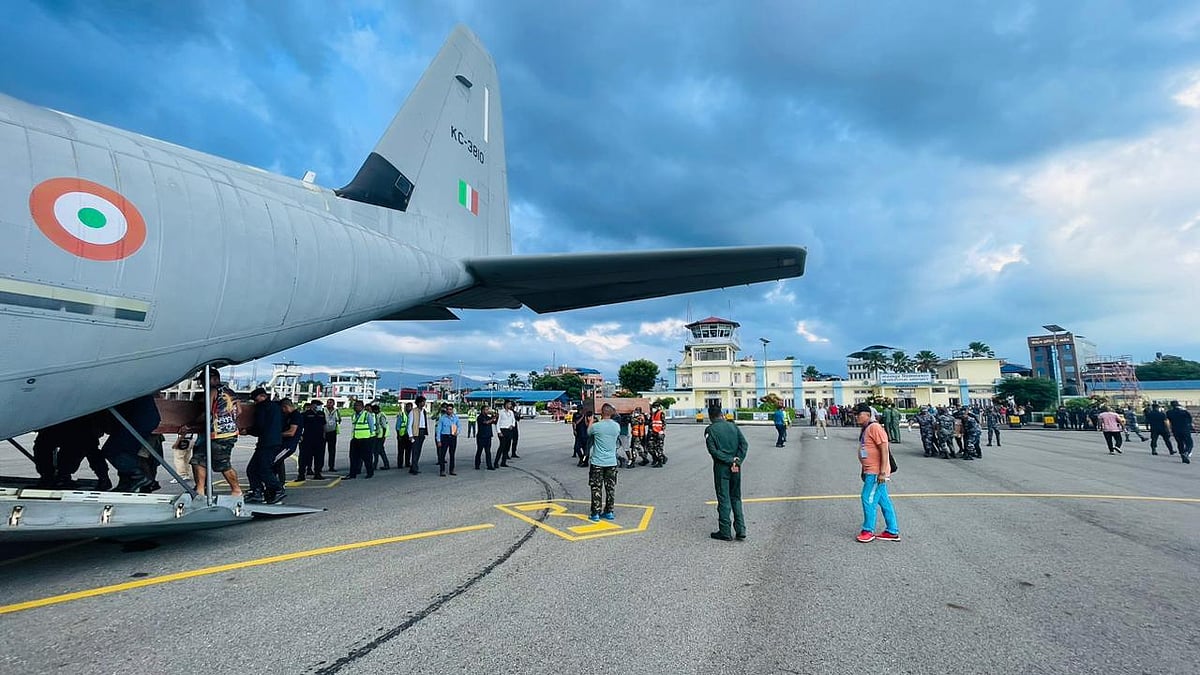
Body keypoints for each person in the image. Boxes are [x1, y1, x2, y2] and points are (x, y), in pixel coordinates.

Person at [189, 371, 242, 497]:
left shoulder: (212, 391)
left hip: (219, 434)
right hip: (227, 432)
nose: (202, 384)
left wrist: (191, 424)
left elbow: (207, 412)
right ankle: (200, 490)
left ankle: (236, 490)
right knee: (198, 459)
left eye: (203, 381)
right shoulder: (231, 392)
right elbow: (239, 411)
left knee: (222, 463)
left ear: (213, 379)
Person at [854, 403, 899, 543]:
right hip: (871, 471)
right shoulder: (866, 428)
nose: (856, 417)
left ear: (867, 414)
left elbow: (884, 449)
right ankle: (892, 530)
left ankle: (868, 530)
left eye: (858, 414)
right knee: (884, 501)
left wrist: (882, 472)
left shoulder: (874, 427)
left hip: (876, 472)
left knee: (867, 498)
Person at [705, 403, 748, 541]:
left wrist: (729, 460)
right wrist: (737, 460)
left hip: (722, 467)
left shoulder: (710, 430)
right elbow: (744, 444)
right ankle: (741, 529)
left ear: (710, 416)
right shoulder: (733, 426)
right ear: (722, 414)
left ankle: (725, 531)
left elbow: (713, 451)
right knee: (736, 497)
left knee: (724, 498)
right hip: (736, 466)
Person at [103, 395, 161, 493]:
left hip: (138, 419)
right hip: (139, 418)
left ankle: (140, 477)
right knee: (126, 453)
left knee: (112, 451)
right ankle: (127, 482)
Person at [243, 388, 285, 503]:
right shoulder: (276, 407)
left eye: (256, 399)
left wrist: (248, 431)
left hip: (266, 443)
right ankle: (257, 491)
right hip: (275, 441)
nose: (255, 402)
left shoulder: (262, 408)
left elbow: (260, 426)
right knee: (254, 468)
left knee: (261, 469)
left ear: (263, 396)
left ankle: (276, 489)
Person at [586, 403, 621, 522]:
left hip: (598, 461)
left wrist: (591, 421)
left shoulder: (596, 426)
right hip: (611, 462)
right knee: (610, 488)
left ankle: (595, 513)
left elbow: (588, 432)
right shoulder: (616, 426)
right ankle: (609, 511)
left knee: (596, 487)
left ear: (601, 413)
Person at [345, 399, 376, 479]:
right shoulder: (354, 415)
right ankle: (352, 474)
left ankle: (370, 472)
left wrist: (370, 438)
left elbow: (372, 428)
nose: (355, 407)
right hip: (355, 439)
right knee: (353, 457)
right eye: (354, 406)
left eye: (356, 406)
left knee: (367, 458)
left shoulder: (367, 415)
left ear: (361, 407)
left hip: (365, 439)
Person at [275, 398, 302, 484]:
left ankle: (276, 484)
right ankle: (280, 483)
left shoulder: (295, 416)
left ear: (285, 407)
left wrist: (275, 434)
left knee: (272, 461)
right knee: (278, 463)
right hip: (283, 444)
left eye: (282, 409)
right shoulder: (288, 416)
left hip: (288, 445)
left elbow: (291, 432)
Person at [299, 400, 327, 480]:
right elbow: (300, 426)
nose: (319, 407)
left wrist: (324, 435)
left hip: (319, 439)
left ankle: (317, 473)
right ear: (312, 405)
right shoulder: (305, 414)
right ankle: (301, 474)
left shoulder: (321, 414)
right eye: (317, 405)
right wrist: (300, 436)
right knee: (304, 457)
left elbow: (324, 425)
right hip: (307, 439)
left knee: (319, 457)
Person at [406, 396, 430, 474]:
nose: (424, 403)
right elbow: (409, 425)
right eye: (423, 402)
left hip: (422, 432)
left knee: (418, 451)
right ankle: (414, 468)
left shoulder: (424, 411)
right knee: (415, 451)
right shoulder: (413, 412)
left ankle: (413, 466)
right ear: (419, 403)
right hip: (416, 432)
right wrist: (410, 435)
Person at [435, 403, 460, 476]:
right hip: (444, 437)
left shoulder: (455, 418)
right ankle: (442, 470)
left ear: (452, 410)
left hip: (452, 437)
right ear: (446, 410)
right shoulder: (442, 418)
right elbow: (438, 430)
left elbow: (459, 426)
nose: (449, 411)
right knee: (442, 454)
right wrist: (438, 440)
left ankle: (452, 470)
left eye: (450, 409)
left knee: (452, 454)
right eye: (448, 409)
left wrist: (457, 432)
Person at [496, 400, 517, 467]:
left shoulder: (511, 412)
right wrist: (499, 431)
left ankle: (503, 462)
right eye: (509, 404)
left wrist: (512, 425)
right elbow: (498, 422)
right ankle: (496, 462)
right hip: (503, 430)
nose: (510, 405)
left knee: (507, 447)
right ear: (506, 404)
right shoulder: (501, 412)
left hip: (509, 430)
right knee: (502, 447)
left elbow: (513, 420)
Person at [475, 405, 496, 470]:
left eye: (488, 410)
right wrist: (492, 418)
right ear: (482, 410)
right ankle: (477, 464)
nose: (487, 411)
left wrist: (494, 416)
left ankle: (489, 465)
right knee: (479, 451)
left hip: (488, 436)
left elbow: (494, 422)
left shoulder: (488, 417)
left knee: (488, 452)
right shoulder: (480, 417)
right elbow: (486, 422)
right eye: (486, 410)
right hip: (481, 437)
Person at [322, 398, 340, 473]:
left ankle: (331, 466)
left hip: (332, 432)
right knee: (321, 450)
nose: (329, 404)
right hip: (324, 432)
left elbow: (339, 420)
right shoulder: (323, 410)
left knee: (332, 450)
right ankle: (319, 466)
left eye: (330, 403)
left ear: (333, 404)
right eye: (328, 402)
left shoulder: (336, 411)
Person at [372, 403, 390, 470]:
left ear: (376, 410)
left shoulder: (381, 416)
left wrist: (383, 436)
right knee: (378, 451)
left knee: (378, 451)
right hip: (378, 435)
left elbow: (384, 427)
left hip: (380, 436)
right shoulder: (377, 415)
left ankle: (382, 465)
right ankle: (383, 464)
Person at [394, 402, 410, 468]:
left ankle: (407, 463)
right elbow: (397, 426)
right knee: (401, 451)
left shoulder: (412, 415)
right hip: (402, 435)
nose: (408, 408)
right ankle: (400, 464)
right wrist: (398, 435)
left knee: (408, 450)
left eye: (409, 407)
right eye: (407, 407)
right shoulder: (401, 415)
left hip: (409, 435)